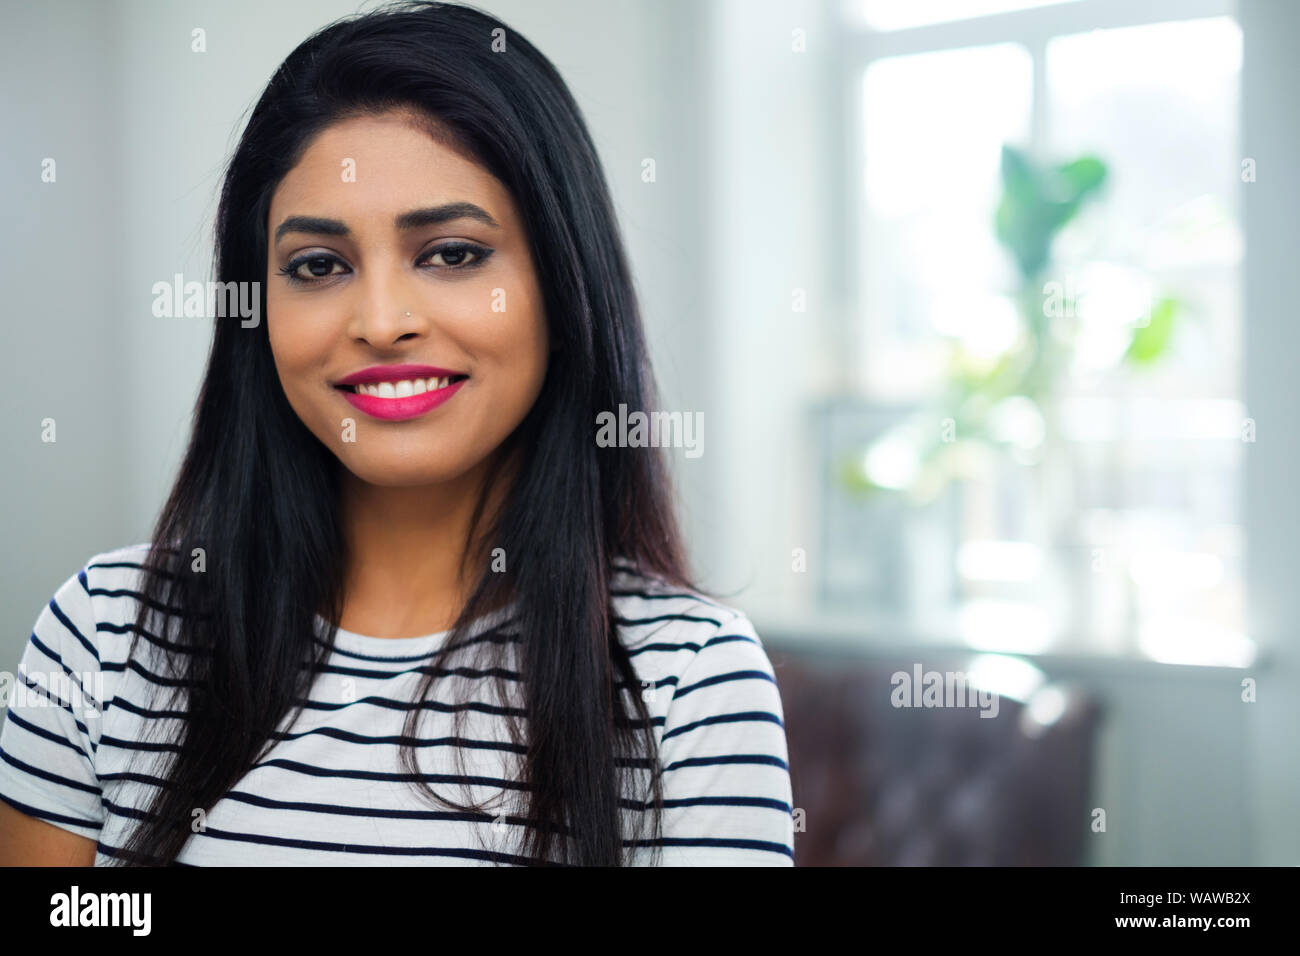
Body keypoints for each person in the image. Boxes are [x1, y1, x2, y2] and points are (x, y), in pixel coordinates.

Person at [0, 0, 793, 866]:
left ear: (563, 289)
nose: (380, 321)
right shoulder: (105, 633)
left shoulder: (690, 679)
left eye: (452, 253)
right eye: (319, 267)